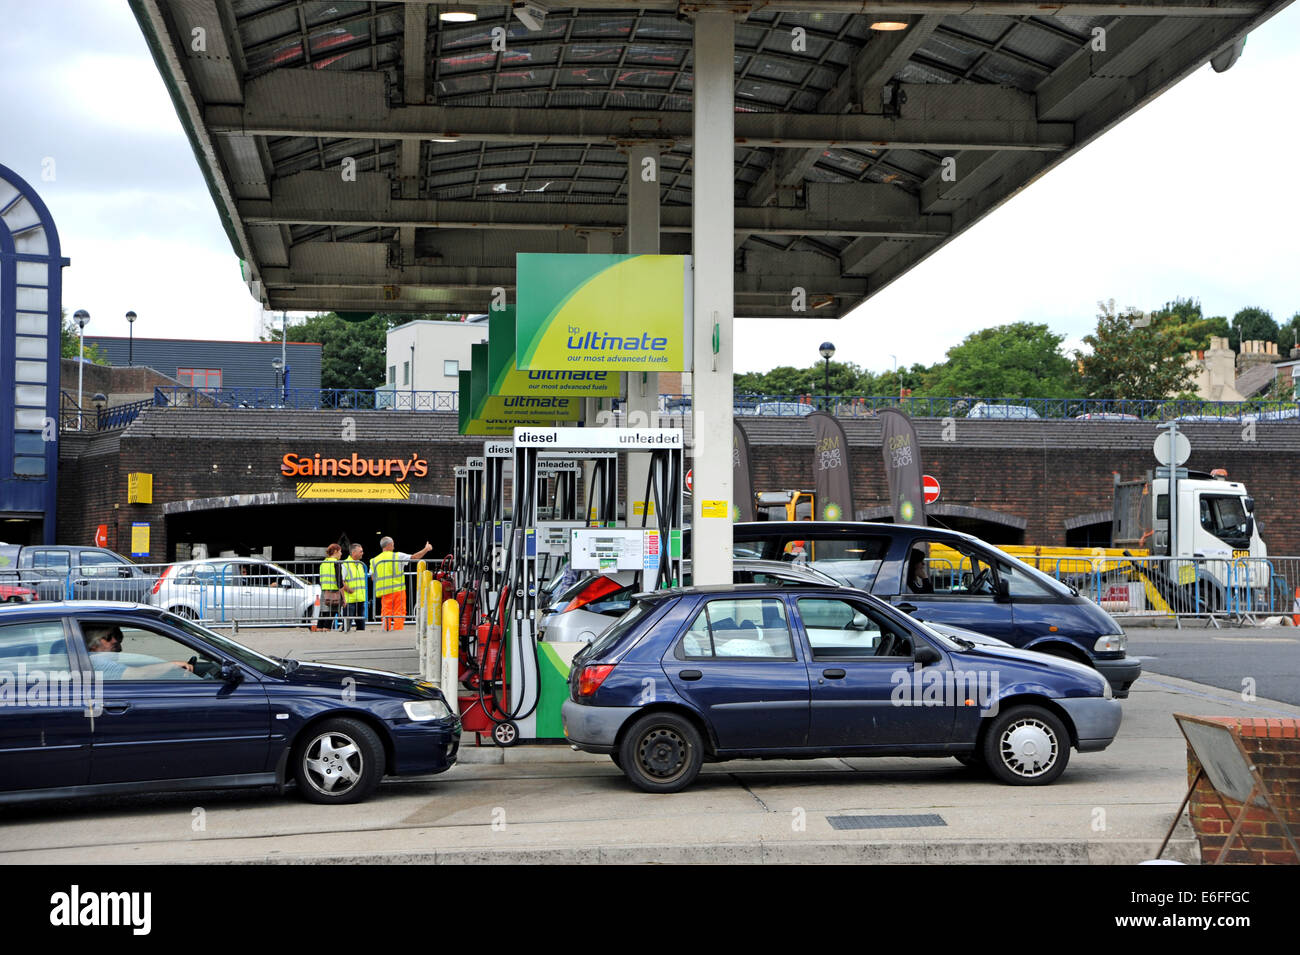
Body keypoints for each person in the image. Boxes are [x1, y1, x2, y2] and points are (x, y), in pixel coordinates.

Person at [369, 536, 433, 631]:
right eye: (393, 545)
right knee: (400, 611)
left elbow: (372, 577)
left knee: (386, 612)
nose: (394, 547)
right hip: (398, 590)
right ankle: (398, 631)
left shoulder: (374, 560)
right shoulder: (397, 556)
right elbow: (415, 557)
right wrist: (426, 549)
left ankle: (385, 629)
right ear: (389, 545)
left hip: (383, 591)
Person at [84, 624, 195, 679]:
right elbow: (139, 674)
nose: (114, 640)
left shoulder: (87, 660)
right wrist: (173, 664)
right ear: (93, 645)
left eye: (116, 637)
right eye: (108, 637)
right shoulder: (96, 662)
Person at [315, 543, 344, 631]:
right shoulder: (336, 563)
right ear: (335, 552)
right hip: (334, 592)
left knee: (323, 613)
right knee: (331, 613)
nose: (341, 554)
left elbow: (320, 579)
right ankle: (326, 632)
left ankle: (319, 630)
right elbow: (339, 581)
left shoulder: (323, 563)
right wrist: (344, 598)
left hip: (324, 591)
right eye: (340, 551)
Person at [341, 543, 368, 632]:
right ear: (353, 552)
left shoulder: (360, 565)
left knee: (361, 627)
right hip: (350, 600)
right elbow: (341, 581)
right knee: (347, 627)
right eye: (361, 551)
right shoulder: (345, 564)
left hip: (360, 599)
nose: (362, 553)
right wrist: (349, 590)